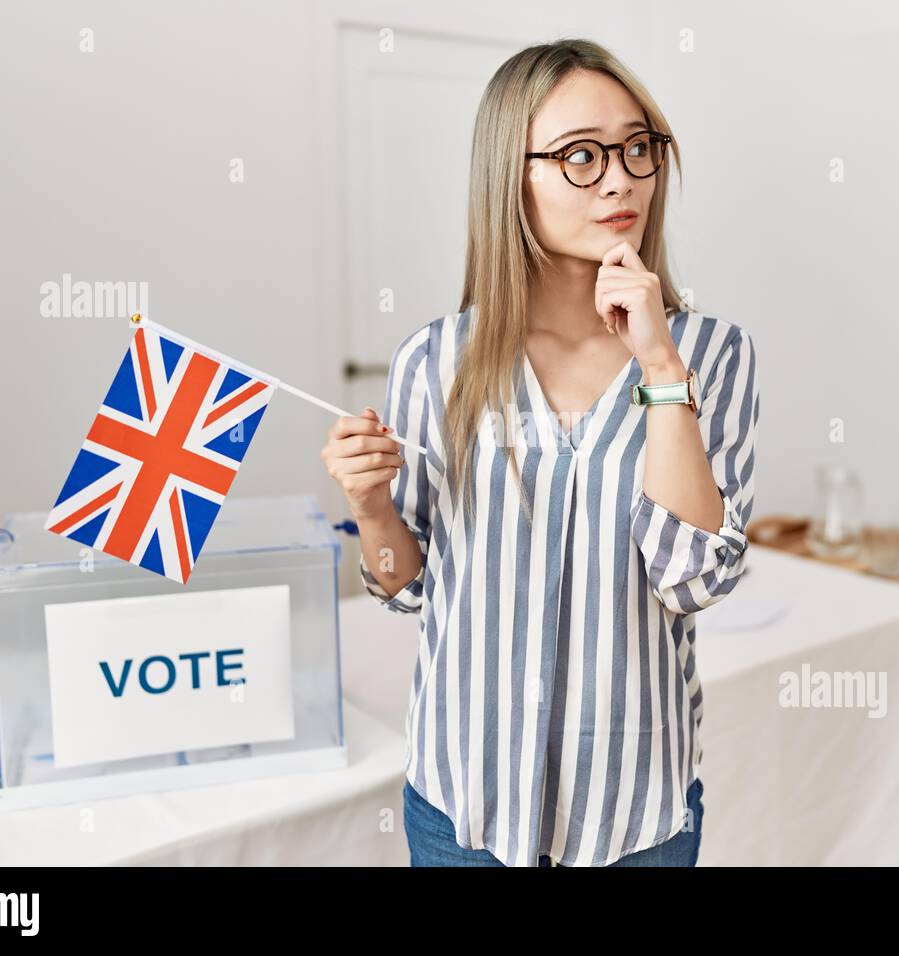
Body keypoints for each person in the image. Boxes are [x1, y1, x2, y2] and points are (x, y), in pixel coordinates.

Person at [321, 38, 758, 867]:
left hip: (634, 810)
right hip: (463, 807)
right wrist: (371, 505)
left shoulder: (714, 355)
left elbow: (693, 577)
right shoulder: (435, 360)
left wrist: (661, 369)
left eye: (638, 147)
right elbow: (406, 587)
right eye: (581, 157)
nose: (622, 178)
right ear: (509, 176)